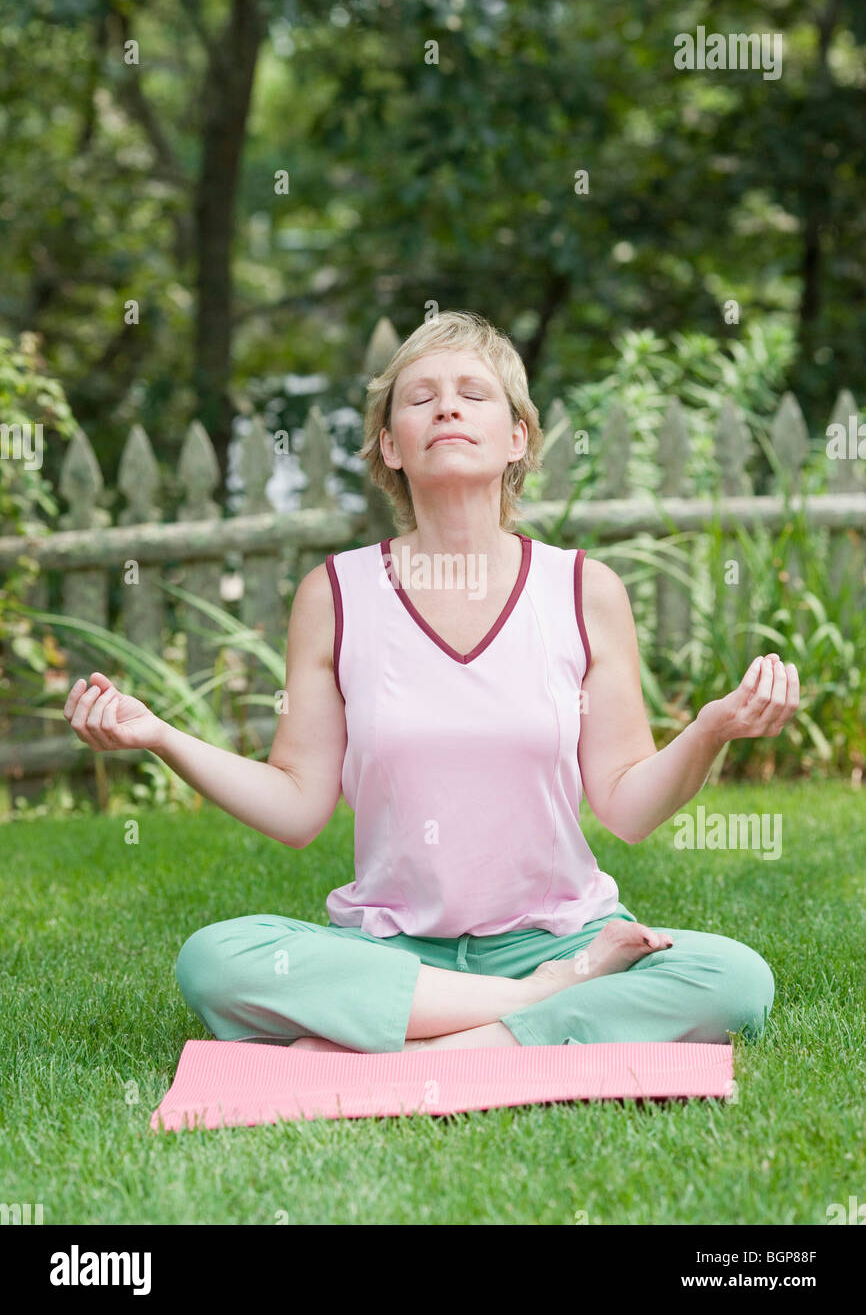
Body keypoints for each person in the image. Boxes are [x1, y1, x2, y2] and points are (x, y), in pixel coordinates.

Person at [63, 310, 798, 1054]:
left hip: (561, 938)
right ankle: (536, 1009)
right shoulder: (335, 595)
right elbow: (297, 807)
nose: (447, 408)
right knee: (216, 959)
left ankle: (419, 1046)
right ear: (391, 445)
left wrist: (710, 730)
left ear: (517, 438)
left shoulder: (584, 591)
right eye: (420, 398)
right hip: (395, 952)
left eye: (473, 394)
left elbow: (627, 807)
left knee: (734, 980)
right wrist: (159, 736)